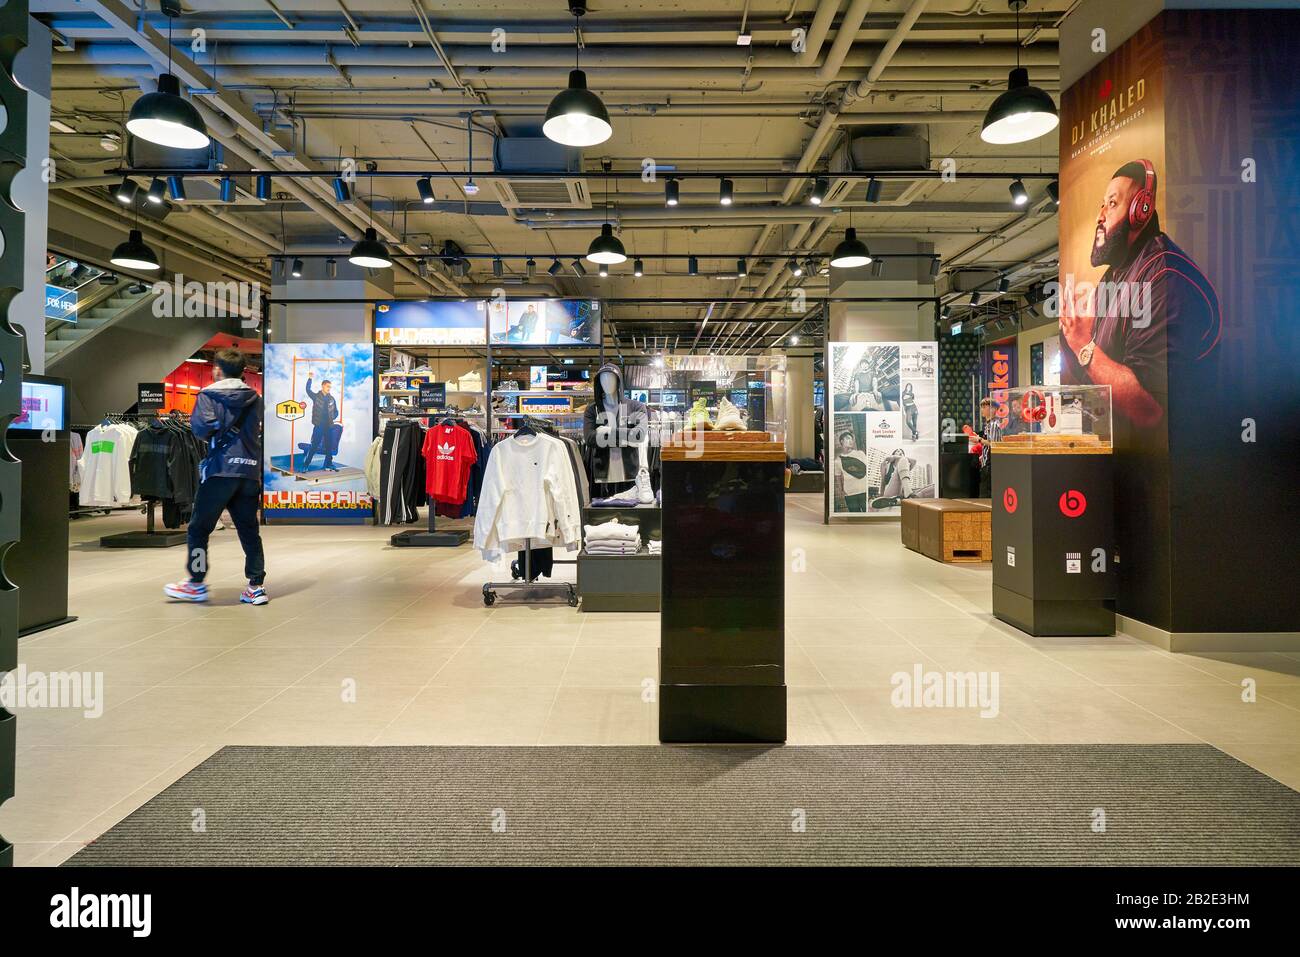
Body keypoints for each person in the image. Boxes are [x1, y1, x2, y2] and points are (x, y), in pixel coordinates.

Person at [1059, 158, 1218, 432]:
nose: (1100, 216)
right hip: (1125, 463)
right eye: (1102, 204)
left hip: (1189, 460)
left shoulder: (1165, 276)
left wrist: (1082, 345)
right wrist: (1071, 336)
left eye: (1112, 203)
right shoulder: (1117, 274)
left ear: (1140, 210)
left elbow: (1149, 412)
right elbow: (1096, 375)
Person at [165, 348, 267, 605]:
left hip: (220, 471)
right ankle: (256, 585)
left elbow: (202, 428)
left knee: (199, 529)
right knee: (249, 530)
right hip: (248, 472)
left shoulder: (208, 396)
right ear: (243, 371)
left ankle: (196, 582)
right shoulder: (255, 399)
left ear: (218, 370)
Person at [300, 376, 339, 471]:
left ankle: (329, 464)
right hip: (319, 426)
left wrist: (332, 417)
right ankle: (306, 465)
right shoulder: (316, 396)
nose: (329, 388)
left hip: (329, 426)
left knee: (329, 446)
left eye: (330, 387)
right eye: (327, 386)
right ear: (322, 386)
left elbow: (336, 411)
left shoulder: (332, 399)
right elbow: (307, 389)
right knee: (314, 446)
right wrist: (309, 378)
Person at [834, 431, 870, 512]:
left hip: (864, 490)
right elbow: (838, 477)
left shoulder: (860, 454)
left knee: (867, 514)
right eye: (847, 438)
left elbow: (868, 470)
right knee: (855, 517)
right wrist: (841, 491)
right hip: (850, 493)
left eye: (851, 439)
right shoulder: (838, 460)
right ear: (841, 441)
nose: (851, 441)